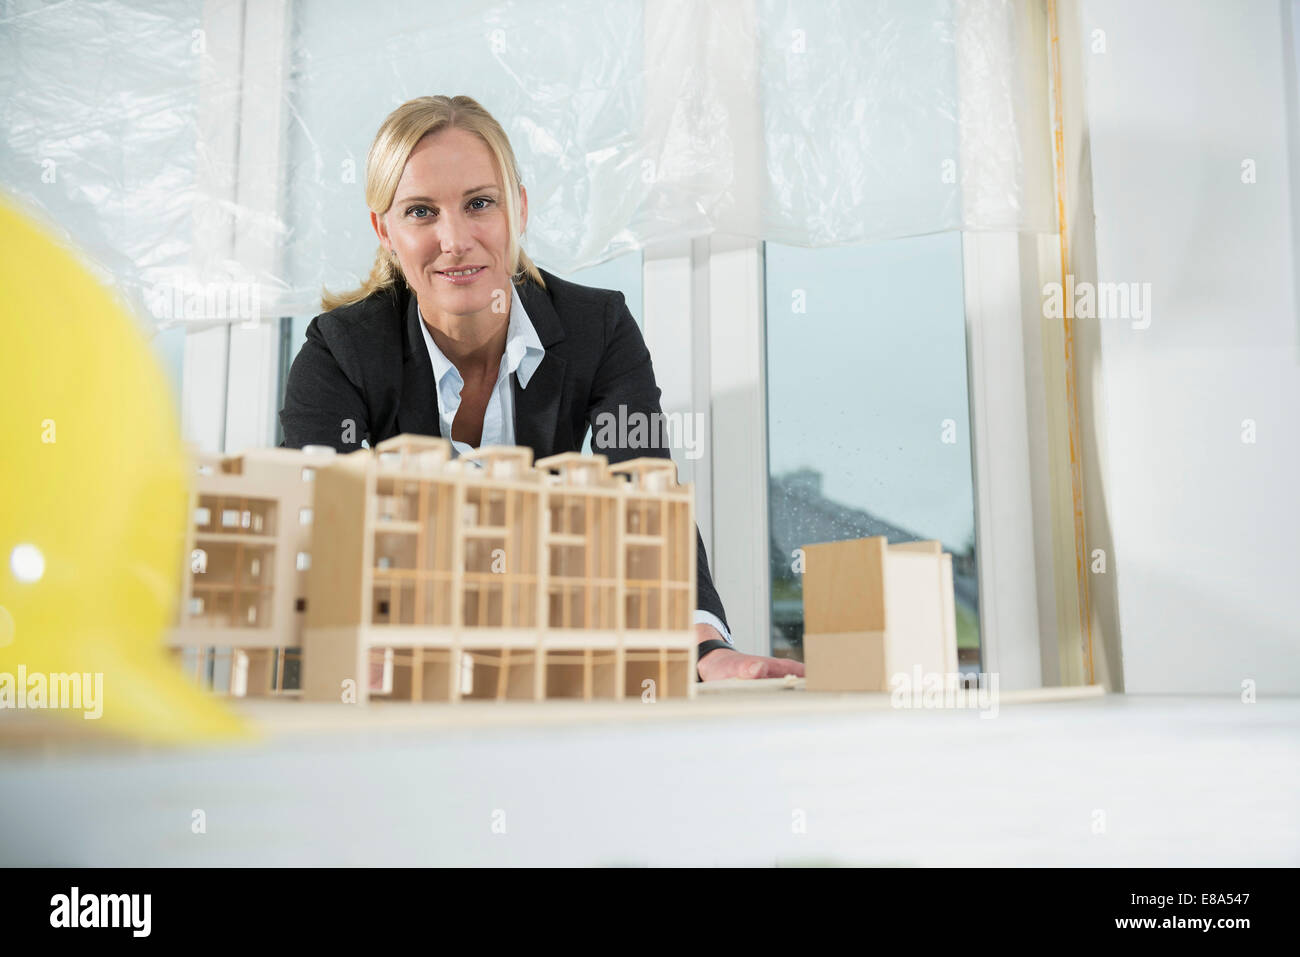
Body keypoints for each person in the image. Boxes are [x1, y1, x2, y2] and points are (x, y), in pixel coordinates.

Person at [280, 94, 803, 683]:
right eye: (421, 212)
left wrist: (703, 648)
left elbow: (645, 495)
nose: (454, 239)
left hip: (533, 668)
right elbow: (325, 540)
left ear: (519, 210)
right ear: (384, 231)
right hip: (382, 671)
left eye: (480, 203)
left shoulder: (595, 328)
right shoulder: (340, 351)